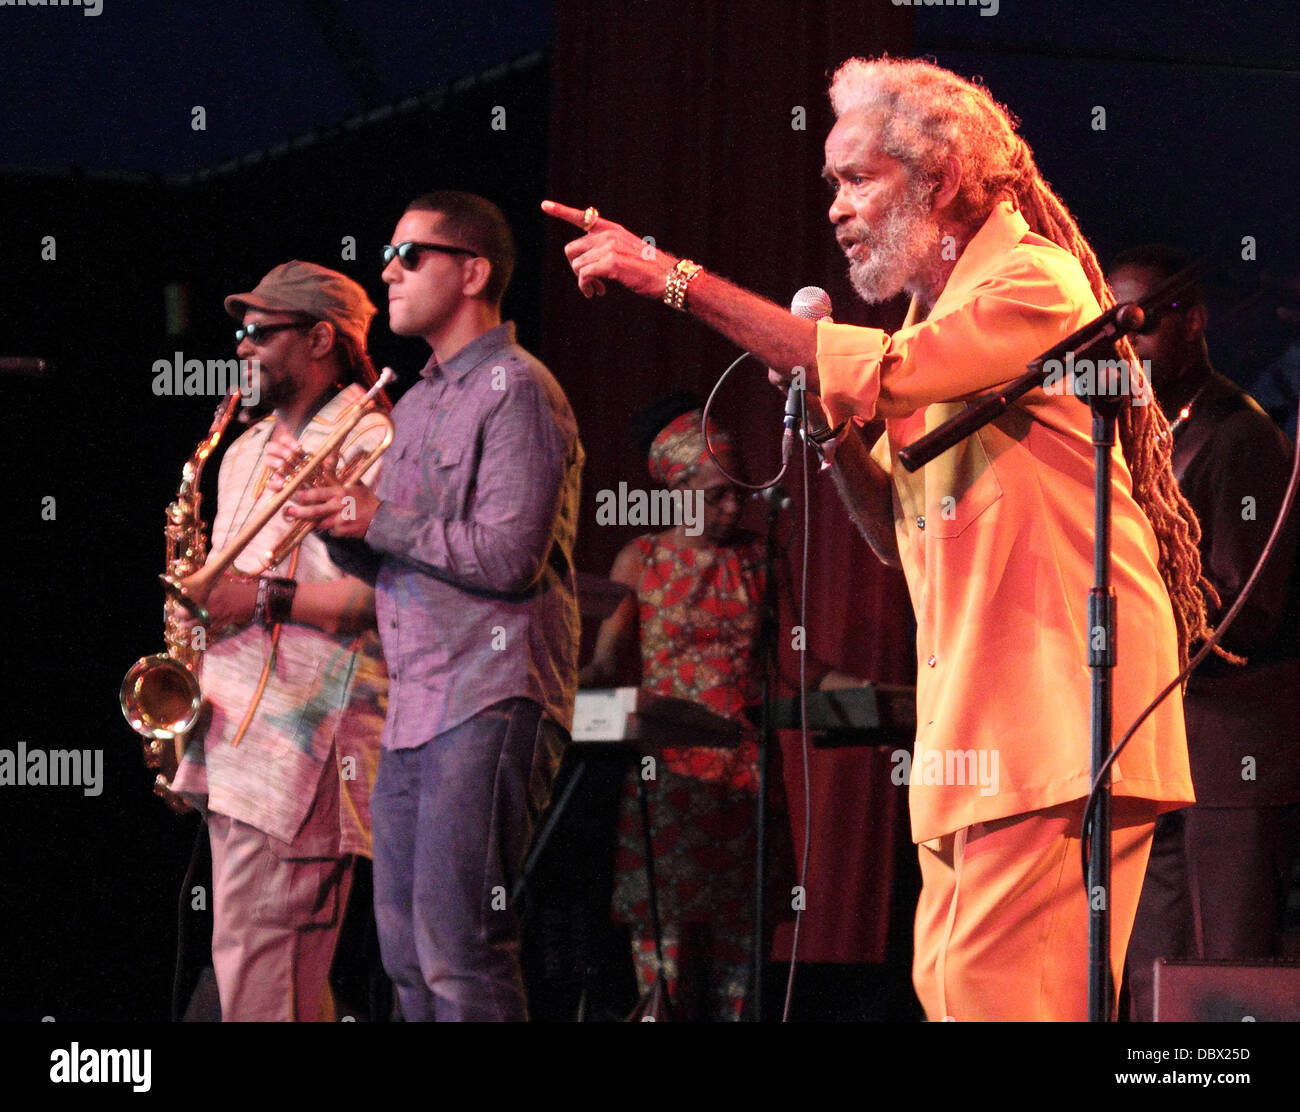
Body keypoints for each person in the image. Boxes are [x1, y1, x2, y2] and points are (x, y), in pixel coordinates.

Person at [544, 56, 1212, 1020]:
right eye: (830, 185)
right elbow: (893, 533)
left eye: (857, 180)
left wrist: (670, 277)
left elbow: (872, 369)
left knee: (1008, 997)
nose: (836, 208)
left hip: (1061, 707)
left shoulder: (1034, 282)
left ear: (938, 181)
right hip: (977, 719)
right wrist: (827, 430)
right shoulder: (926, 320)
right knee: (949, 989)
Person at [279, 191, 584, 1021]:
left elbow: (510, 555)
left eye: (411, 255)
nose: (389, 270)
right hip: (415, 703)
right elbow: (402, 558)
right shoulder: (412, 403)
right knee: (407, 957)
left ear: (474, 271)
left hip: (487, 695)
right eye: (390, 252)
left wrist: (378, 517)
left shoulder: (518, 390)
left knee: (460, 952)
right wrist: (337, 521)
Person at [580, 394, 860, 1019]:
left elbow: (795, 665)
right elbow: (604, 665)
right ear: (675, 492)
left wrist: (865, 690)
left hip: (747, 785)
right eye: (716, 495)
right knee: (664, 972)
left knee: (742, 982)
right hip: (667, 788)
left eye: (740, 493)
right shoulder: (642, 561)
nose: (734, 507)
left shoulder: (759, 561)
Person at [170, 260, 390, 1022]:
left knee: (267, 973)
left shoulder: (373, 439)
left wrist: (255, 597)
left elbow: (378, 600)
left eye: (260, 333)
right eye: (240, 333)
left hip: (307, 743)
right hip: (236, 736)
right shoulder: (242, 449)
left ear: (322, 337)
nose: (242, 349)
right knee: (266, 980)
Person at [1109, 246, 1300, 1021]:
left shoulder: (1237, 433)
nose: (1128, 345)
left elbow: (1247, 610)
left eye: (1143, 323)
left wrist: (1128, 626)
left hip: (1230, 748)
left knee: (1222, 981)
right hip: (1151, 739)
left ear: (1192, 319)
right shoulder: (1128, 436)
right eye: (1113, 329)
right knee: (1151, 970)